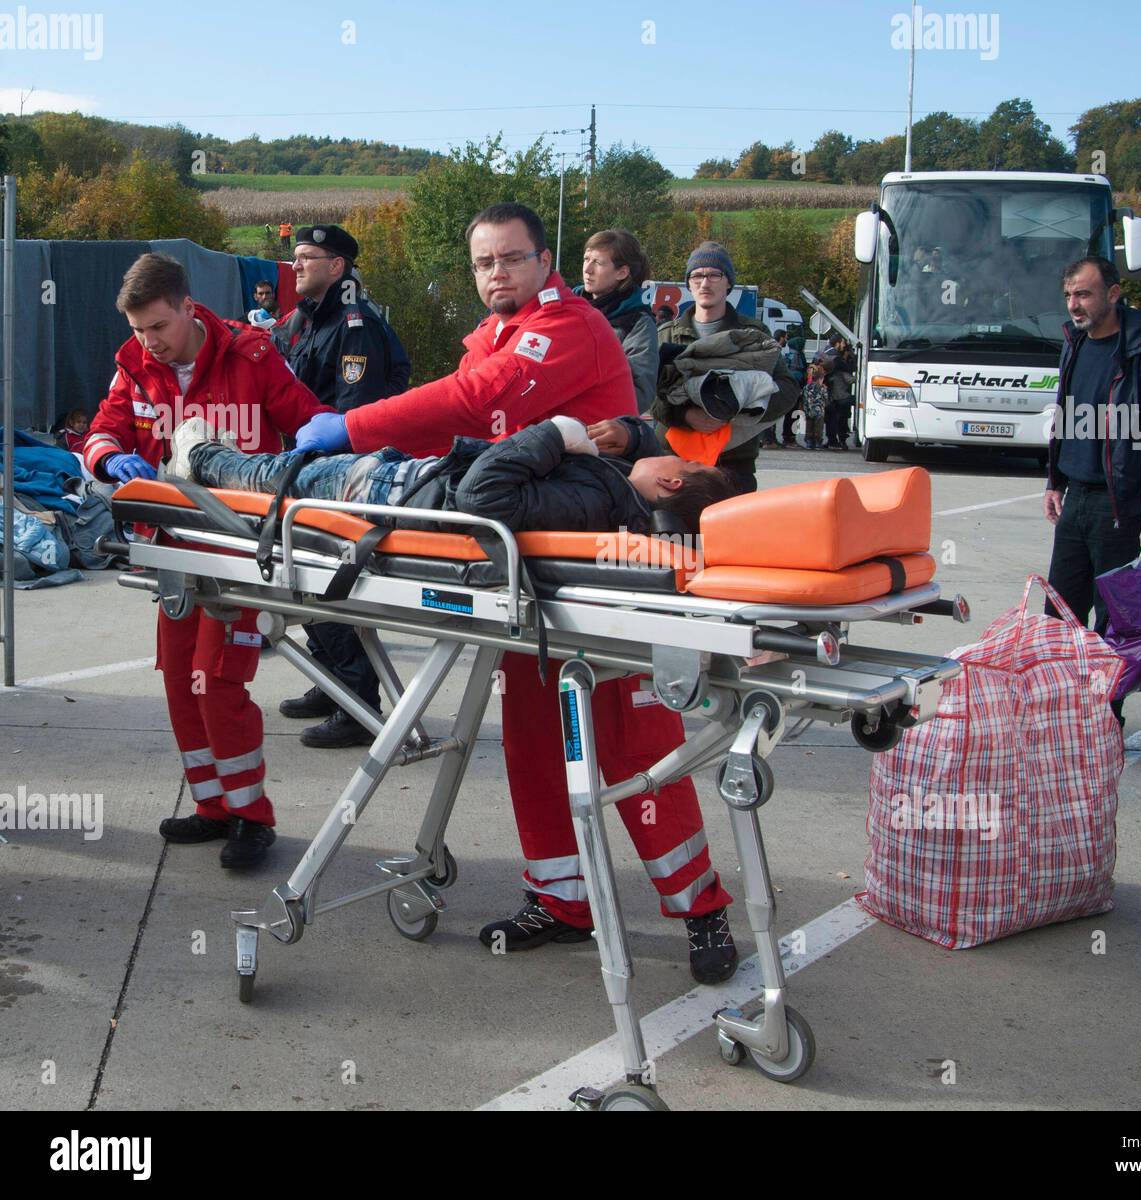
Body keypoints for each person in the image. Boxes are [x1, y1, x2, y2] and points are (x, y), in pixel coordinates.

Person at [292, 202, 742, 984]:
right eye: (482, 263)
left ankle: (700, 907)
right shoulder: (495, 336)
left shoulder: (564, 328)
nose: (495, 274)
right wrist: (375, 440)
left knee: (635, 752)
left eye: (509, 259)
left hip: (605, 571)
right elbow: (462, 424)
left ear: (544, 262)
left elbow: (478, 402)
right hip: (530, 574)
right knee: (536, 746)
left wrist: (354, 426)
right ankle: (561, 901)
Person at [82, 253, 328, 867]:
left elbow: (310, 423)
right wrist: (113, 461)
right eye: (139, 330)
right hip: (169, 551)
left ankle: (252, 817)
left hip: (237, 553)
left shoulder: (252, 356)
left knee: (217, 683)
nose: (150, 343)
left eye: (159, 327)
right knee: (179, 682)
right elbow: (99, 434)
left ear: (189, 308)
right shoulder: (133, 365)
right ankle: (213, 805)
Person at [279, 224, 413, 750]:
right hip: (303, 469)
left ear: (338, 267)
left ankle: (357, 705)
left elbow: (352, 413)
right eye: (295, 257)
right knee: (305, 580)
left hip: (340, 475)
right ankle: (330, 683)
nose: (296, 266)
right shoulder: (302, 321)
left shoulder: (356, 324)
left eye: (308, 257)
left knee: (328, 585)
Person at [172, 413, 738, 535]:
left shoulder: (597, 498)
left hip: (391, 490)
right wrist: (628, 437)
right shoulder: (612, 496)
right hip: (413, 482)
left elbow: (484, 498)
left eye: (679, 459)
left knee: (276, 473)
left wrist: (551, 434)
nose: (670, 451)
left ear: (672, 483)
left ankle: (195, 458)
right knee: (281, 472)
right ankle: (206, 459)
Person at [1045, 255, 1141, 727]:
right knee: (1058, 615)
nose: (1074, 305)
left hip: (1120, 505)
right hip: (1076, 499)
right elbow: (1065, 417)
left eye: (1083, 294)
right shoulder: (1075, 343)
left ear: (1113, 293)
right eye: (1068, 295)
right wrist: (1055, 480)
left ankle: (1106, 722)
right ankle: (1062, 715)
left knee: (1113, 622)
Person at [651, 241, 799, 492]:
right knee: (671, 533)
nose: (705, 283)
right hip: (673, 462)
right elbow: (646, 393)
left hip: (732, 466)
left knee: (727, 533)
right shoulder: (665, 336)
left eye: (714, 275)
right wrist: (685, 416)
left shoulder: (753, 334)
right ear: (688, 283)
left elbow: (787, 390)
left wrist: (734, 410)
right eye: (697, 275)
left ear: (729, 282)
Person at [573, 229, 658, 414]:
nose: (587, 269)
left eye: (598, 262)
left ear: (622, 272)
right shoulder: (563, 307)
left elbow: (639, 393)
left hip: (595, 430)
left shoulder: (638, 323)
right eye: (586, 259)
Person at [821, 335, 854, 450]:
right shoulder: (836, 357)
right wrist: (848, 357)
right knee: (838, 417)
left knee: (829, 417)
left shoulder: (823, 352)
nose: (844, 345)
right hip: (836, 393)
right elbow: (850, 368)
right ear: (837, 343)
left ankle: (831, 440)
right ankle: (837, 441)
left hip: (825, 390)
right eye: (843, 343)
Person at [801, 360, 829, 449]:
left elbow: (804, 398)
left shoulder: (806, 387)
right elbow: (826, 398)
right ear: (820, 379)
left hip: (808, 410)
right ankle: (818, 441)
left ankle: (809, 441)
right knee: (818, 427)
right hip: (819, 411)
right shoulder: (822, 388)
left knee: (809, 425)